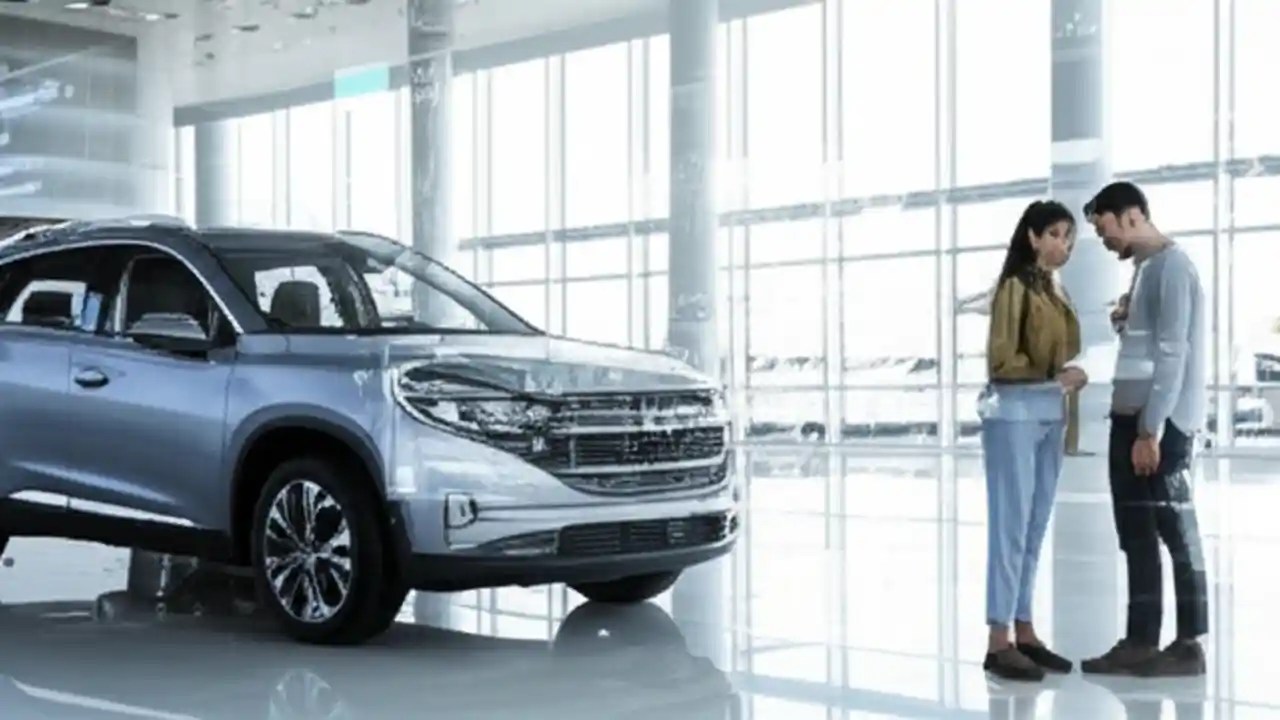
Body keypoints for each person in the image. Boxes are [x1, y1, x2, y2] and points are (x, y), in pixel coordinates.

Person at [1079, 180, 1210, 677]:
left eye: (1105, 227)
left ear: (1131, 216)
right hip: (1136, 420)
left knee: (1176, 530)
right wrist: (1126, 322)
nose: (1104, 238)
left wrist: (1150, 430)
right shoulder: (1147, 268)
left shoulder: (1173, 266)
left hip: (1158, 426)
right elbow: (1152, 345)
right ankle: (1140, 640)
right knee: (1136, 533)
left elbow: (1175, 353)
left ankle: (1189, 643)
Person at [979, 199, 1087, 681]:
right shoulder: (1013, 287)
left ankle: (1024, 629)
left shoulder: (1053, 289)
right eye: (1057, 234)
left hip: (1048, 415)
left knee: (1036, 524)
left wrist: (1065, 379)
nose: (1064, 244)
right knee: (1011, 526)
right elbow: (1003, 362)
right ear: (1033, 237)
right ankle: (997, 639)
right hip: (1016, 415)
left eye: (1069, 236)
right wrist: (1055, 379)